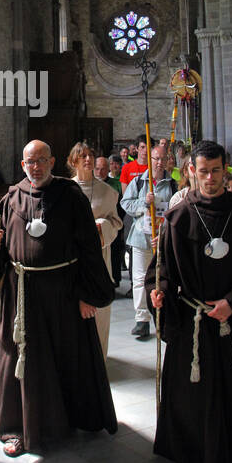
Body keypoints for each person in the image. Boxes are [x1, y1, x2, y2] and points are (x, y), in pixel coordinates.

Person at [148, 139, 232, 463]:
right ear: (191, 171)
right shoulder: (177, 217)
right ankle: (189, 447)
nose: (210, 178)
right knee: (193, 394)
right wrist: (157, 293)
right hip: (193, 321)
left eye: (216, 171)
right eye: (203, 171)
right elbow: (163, 270)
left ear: (225, 169)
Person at [0, 140, 117, 457]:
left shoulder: (70, 197)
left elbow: (89, 248)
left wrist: (88, 295)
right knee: (20, 361)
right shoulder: (11, 198)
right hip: (22, 296)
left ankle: (69, 421)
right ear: (22, 165)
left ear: (53, 161)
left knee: (65, 358)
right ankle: (18, 430)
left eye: (43, 160)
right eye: (31, 161)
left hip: (64, 296)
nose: (37, 166)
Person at [69, 143, 122, 357]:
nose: (88, 159)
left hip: (99, 257)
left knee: (98, 313)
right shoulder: (64, 189)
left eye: (91, 155)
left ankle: (99, 358)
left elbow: (116, 223)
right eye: (83, 156)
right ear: (74, 161)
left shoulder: (108, 192)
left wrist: (102, 227)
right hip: (71, 258)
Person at [122, 143, 176, 340]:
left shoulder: (173, 184)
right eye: (156, 159)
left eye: (163, 159)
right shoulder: (139, 182)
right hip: (141, 237)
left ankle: (162, 316)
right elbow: (126, 203)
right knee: (140, 279)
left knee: (162, 278)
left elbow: (177, 209)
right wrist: (144, 202)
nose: (160, 162)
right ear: (150, 160)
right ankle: (142, 319)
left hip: (163, 238)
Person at [105, 156, 126, 287]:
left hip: (115, 220)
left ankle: (115, 279)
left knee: (115, 253)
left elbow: (121, 205)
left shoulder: (116, 184)